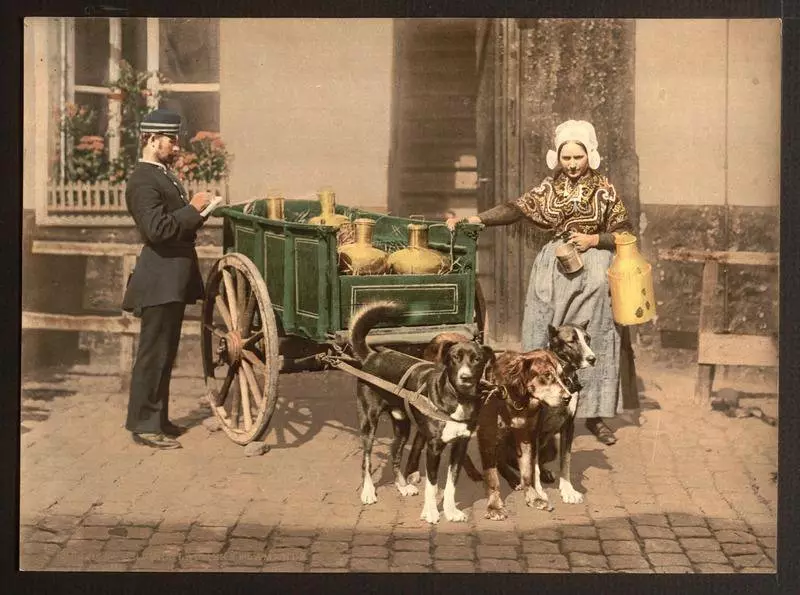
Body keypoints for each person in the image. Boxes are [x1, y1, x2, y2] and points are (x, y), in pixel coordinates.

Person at [446, 119, 639, 445]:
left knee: (596, 342)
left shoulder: (606, 191)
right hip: (553, 268)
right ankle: (544, 414)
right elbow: (515, 208)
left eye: (578, 157)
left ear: (590, 155)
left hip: (595, 274)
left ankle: (594, 415)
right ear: (557, 158)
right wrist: (476, 218)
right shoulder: (548, 190)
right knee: (544, 336)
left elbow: (626, 233)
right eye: (567, 158)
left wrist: (594, 240)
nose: (573, 164)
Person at [122, 109, 212, 449]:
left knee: (164, 352)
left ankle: (157, 419)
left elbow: (176, 225)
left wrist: (201, 210)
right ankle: (144, 425)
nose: (176, 147)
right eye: (171, 141)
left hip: (172, 278)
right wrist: (193, 209)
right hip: (159, 278)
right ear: (151, 139)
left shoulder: (162, 175)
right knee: (153, 353)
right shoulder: (143, 180)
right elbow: (157, 230)